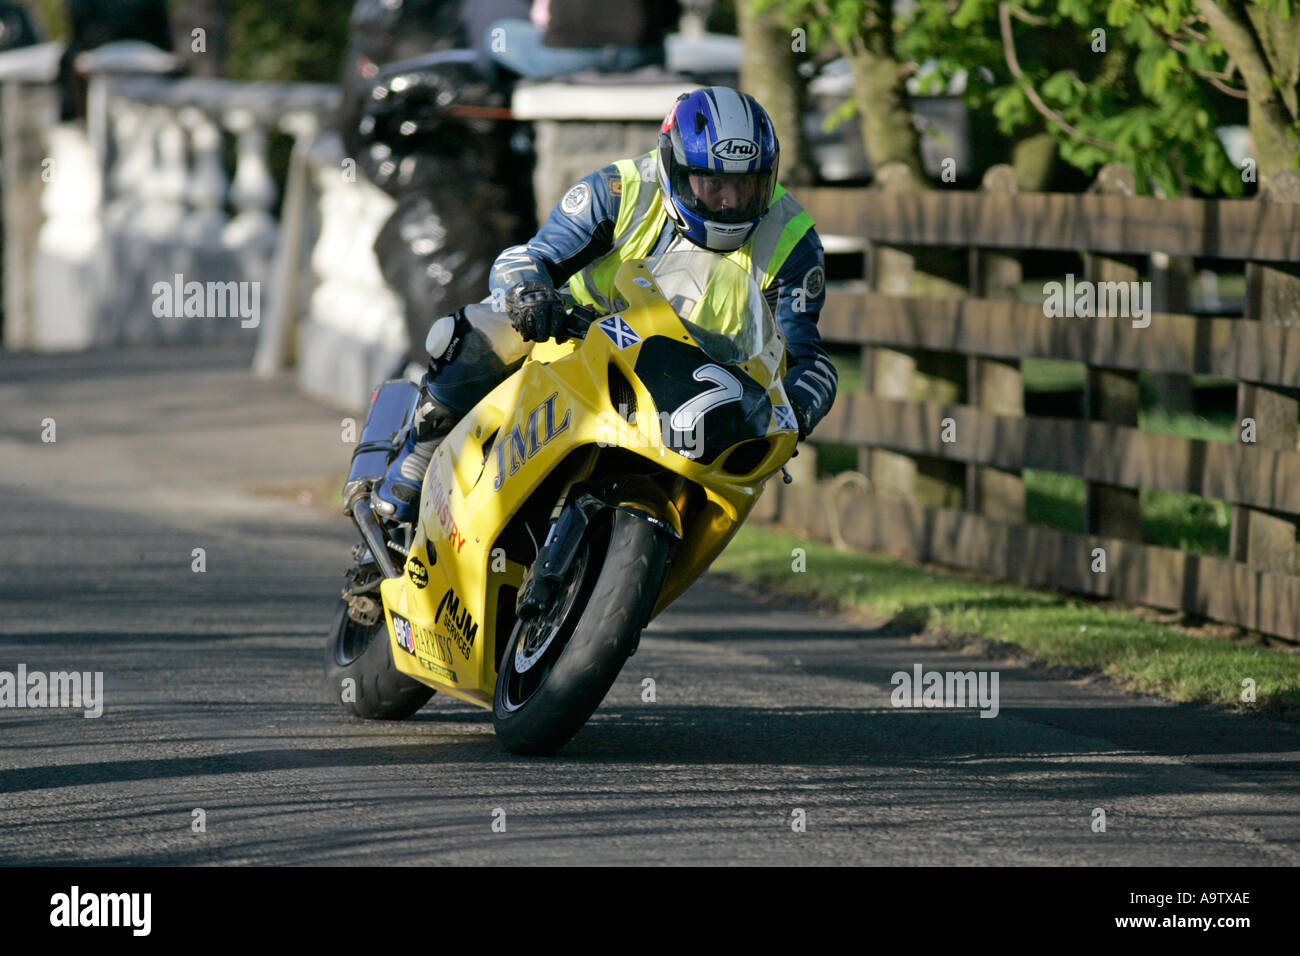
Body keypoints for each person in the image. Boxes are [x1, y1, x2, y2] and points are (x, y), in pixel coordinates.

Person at [373, 86, 839, 523]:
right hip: (574, 340)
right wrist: (530, 293)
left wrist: (795, 410)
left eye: (748, 185)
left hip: (690, 385)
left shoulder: (794, 240)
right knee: (483, 326)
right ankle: (417, 455)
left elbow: (804, 353)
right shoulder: (620, 190)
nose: (730, 201)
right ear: (675, 168)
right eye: (711, 183)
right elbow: (529, 257)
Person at [483, 0, 678, 80]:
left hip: (570, 54)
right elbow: (671, 15)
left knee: (496, 34)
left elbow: (541, 17)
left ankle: (499, 121)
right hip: (643, 53)